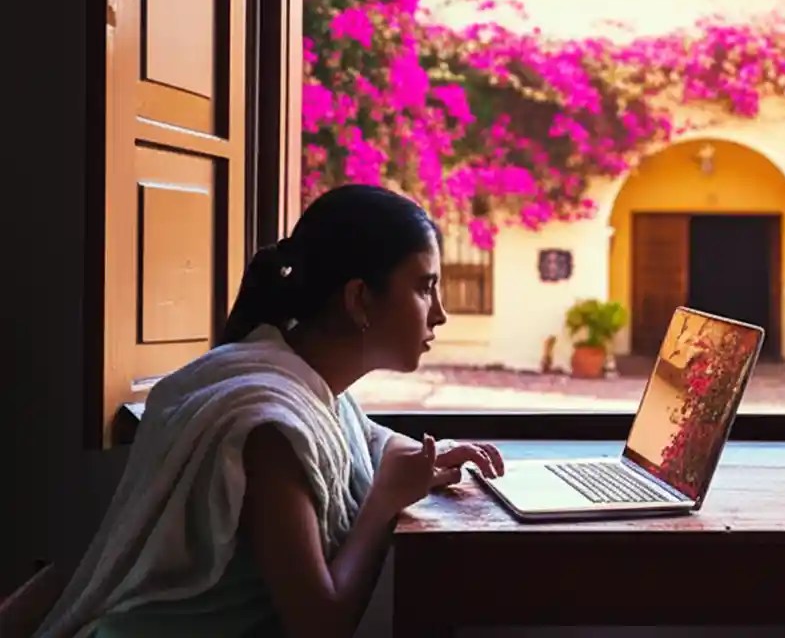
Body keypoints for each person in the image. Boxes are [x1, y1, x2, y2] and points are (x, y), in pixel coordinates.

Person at [36, 185, 505, 638]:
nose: (440, 313)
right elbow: (320, 627)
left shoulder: (308, 384)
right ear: (360, 299)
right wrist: (384, 503)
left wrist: (430, 456)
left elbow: (368, 439)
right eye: (425, 288)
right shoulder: (270, 429)